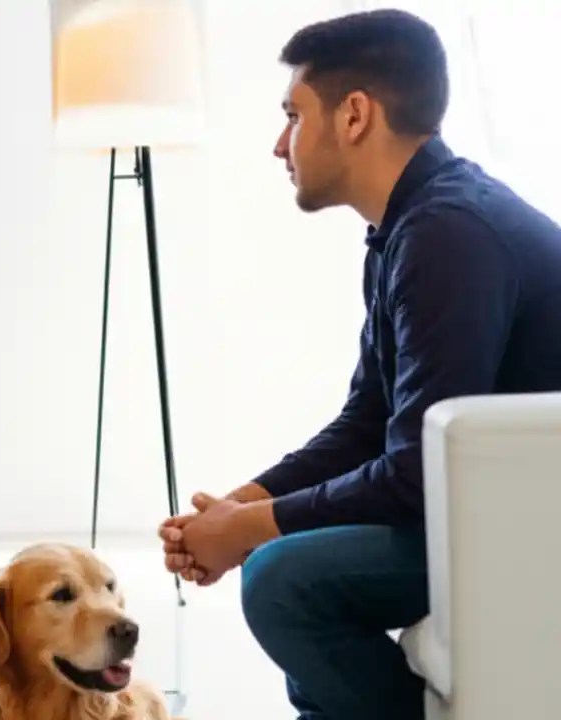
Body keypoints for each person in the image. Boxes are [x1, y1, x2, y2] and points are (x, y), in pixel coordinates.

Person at [158, 9, 561, 720]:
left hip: (532, 529)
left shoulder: (447, 234)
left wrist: (250, 532)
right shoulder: (409, 229)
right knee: (275, 553)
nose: (279, 145)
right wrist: (243, 503)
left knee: (283, 577)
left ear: (353, 115)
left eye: (292, 115)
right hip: (487, 513)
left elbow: (412, 478)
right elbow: (368, 421)